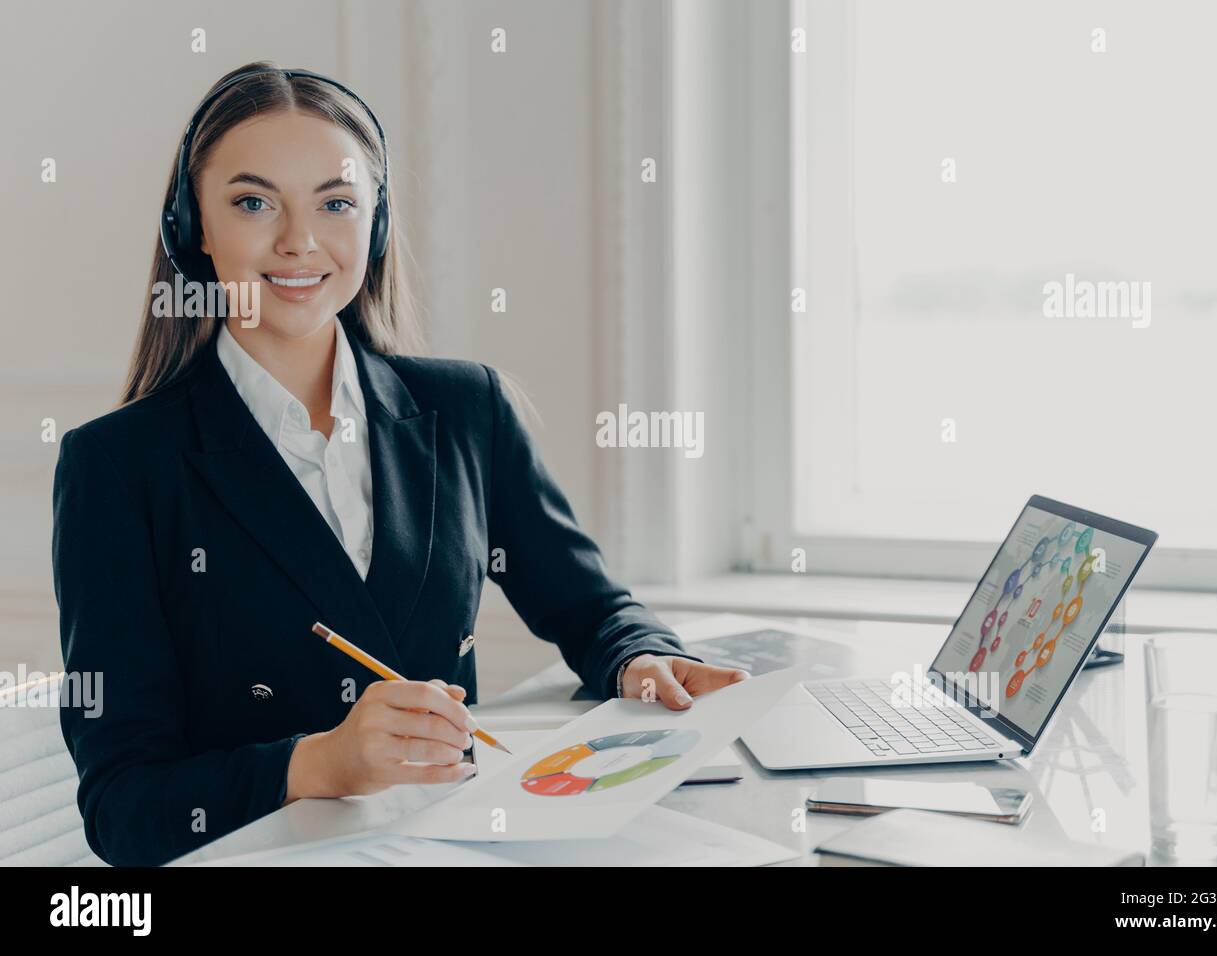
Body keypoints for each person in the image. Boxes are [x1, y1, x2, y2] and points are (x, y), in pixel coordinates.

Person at [52, 62, 748, 867]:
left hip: (461, 846)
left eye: (336, 203)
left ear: (376, 223)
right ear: (193, 228)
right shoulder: (117, 466)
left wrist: (642, 657)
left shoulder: (466, 408)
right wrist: (318, 763)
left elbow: (592, 611)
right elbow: (123, 810)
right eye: (252, 202)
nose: (298, 241)